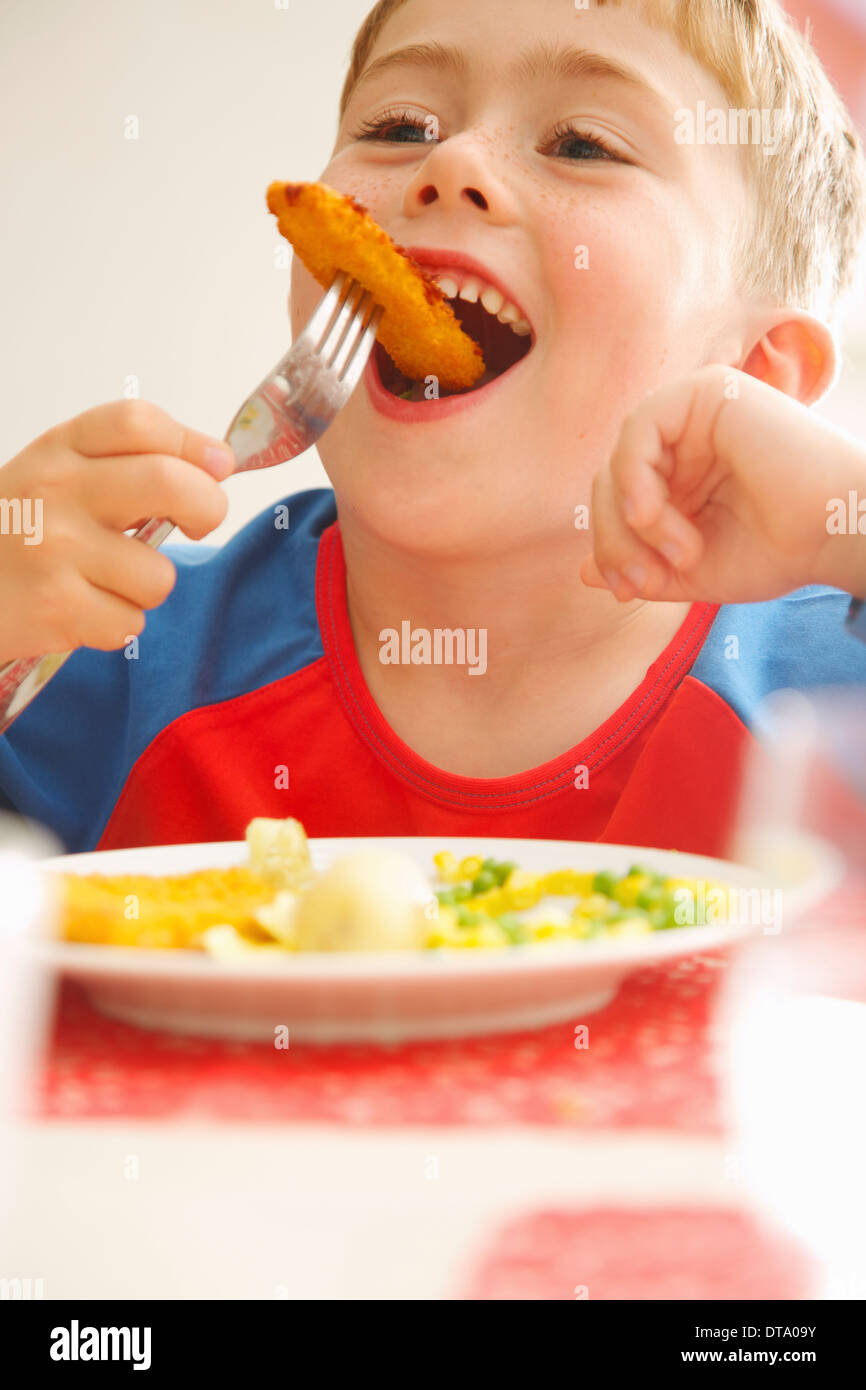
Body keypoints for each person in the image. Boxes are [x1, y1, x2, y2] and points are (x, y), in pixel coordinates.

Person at [1, 0, 865, 858]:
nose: (451, 161)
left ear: (758, 376)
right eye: (400, 125)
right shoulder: (112, 647)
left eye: (582, 145)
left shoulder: (827, 694)